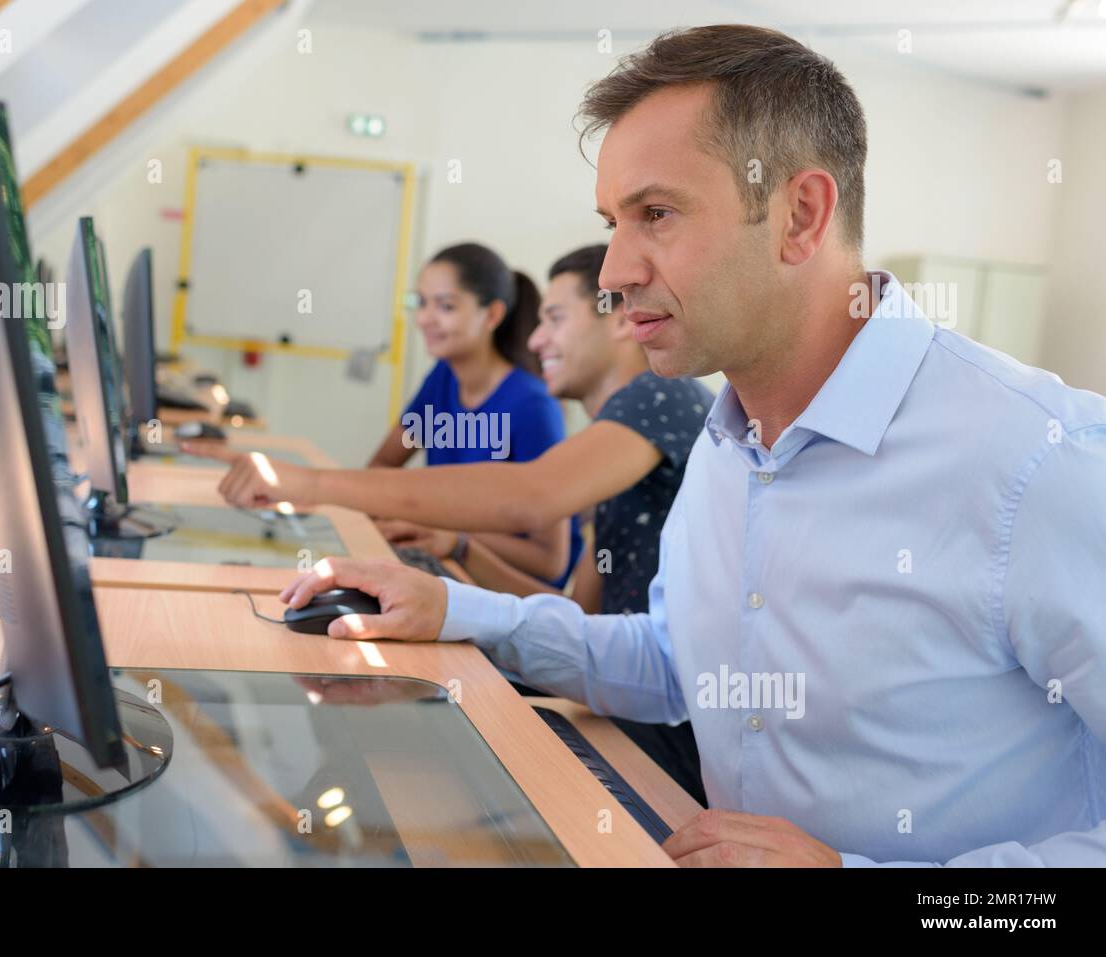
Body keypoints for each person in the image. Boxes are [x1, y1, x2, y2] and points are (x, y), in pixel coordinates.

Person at [267, 25, 1106, 867]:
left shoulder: (1039, 460)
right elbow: (676, 663)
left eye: (656, 215)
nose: (613, 272)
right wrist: (455, 609)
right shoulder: (729, 438)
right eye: (611, 223)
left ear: (800, 215)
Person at [186, 243, 714, 802]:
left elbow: (530, 498)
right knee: (374, 700)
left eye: (555, 320)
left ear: (618, 320)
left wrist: (309, 484)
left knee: (380, 747)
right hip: (615, 703)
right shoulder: (616, 437)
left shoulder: (661, 396)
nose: (535, 340)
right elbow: (581, 617)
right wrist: (456, 558)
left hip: (660, 739)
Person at [370, 242, 580, 589]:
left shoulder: (532, 405)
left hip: (504, 601)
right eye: (421, 303)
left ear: (492, 315)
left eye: (446, 306)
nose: (424, 318)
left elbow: (550, 560)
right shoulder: (442, 378)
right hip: (442, 573)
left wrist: (446, 531)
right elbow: (380, 470)